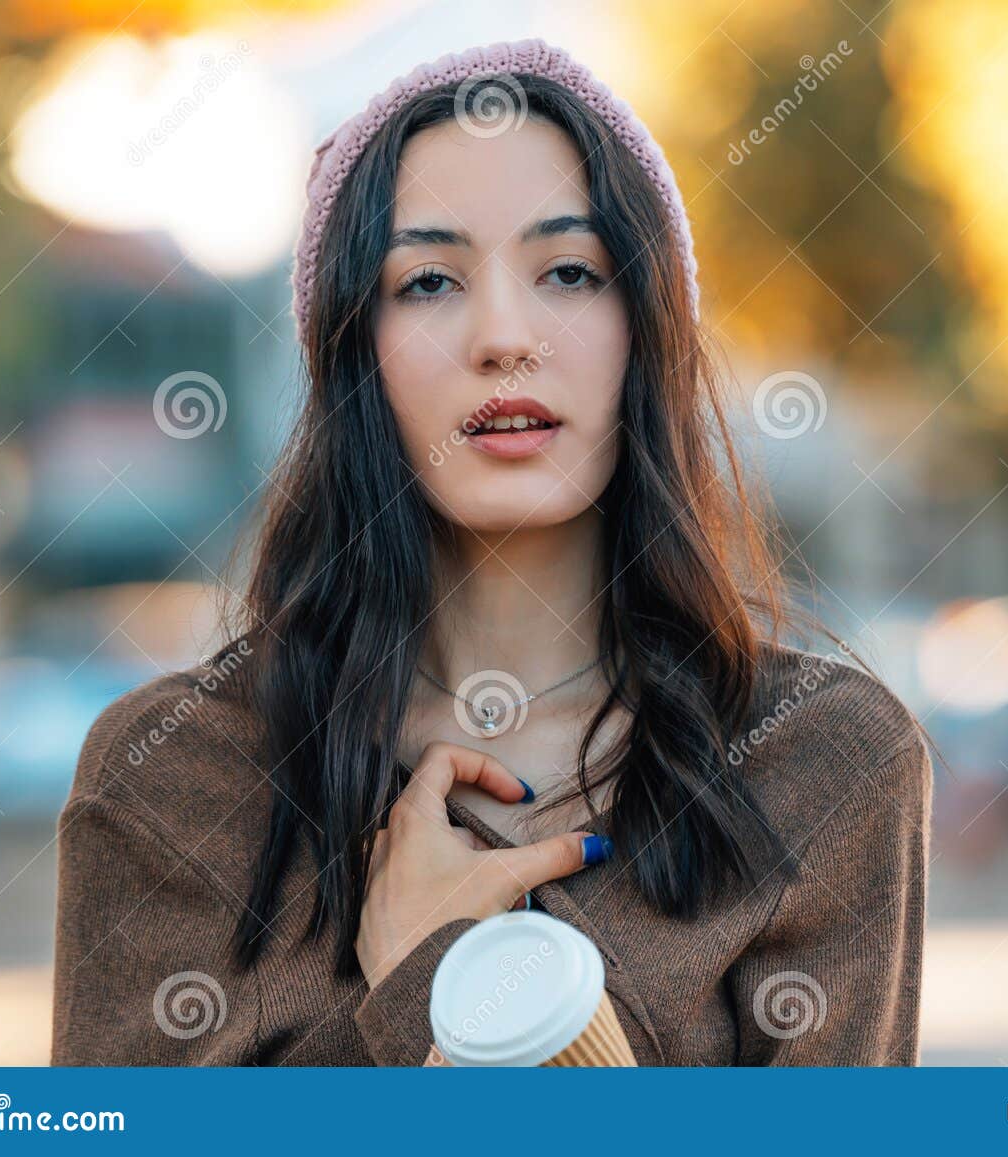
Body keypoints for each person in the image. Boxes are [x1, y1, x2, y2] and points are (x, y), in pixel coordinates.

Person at [50, 37, 931, 1066]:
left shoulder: (819, 763)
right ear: (352, 351)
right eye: (427, 281)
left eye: (569, 270)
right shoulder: (177, 780)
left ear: (646, 331)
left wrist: (440, 980)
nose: (504, 335)